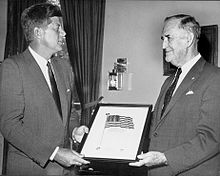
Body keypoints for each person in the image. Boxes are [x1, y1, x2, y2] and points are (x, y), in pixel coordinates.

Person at [0, 3, 90, 175]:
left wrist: (74, 131)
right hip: (31, 169)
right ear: (38, 33)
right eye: (57, 28)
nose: (64, 33)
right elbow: (9, 125)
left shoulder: (64, 68)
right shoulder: (13, 67)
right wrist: (54, 153)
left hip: (65, 171)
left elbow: (69, 113)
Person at [129, 14, 220, 175]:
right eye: (162, 39)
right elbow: (155, 127)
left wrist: (165, 158)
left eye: (168, 38)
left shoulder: (214, 78)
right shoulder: (169, 81)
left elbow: (211, 139)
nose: (164, 45)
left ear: (189, 39)